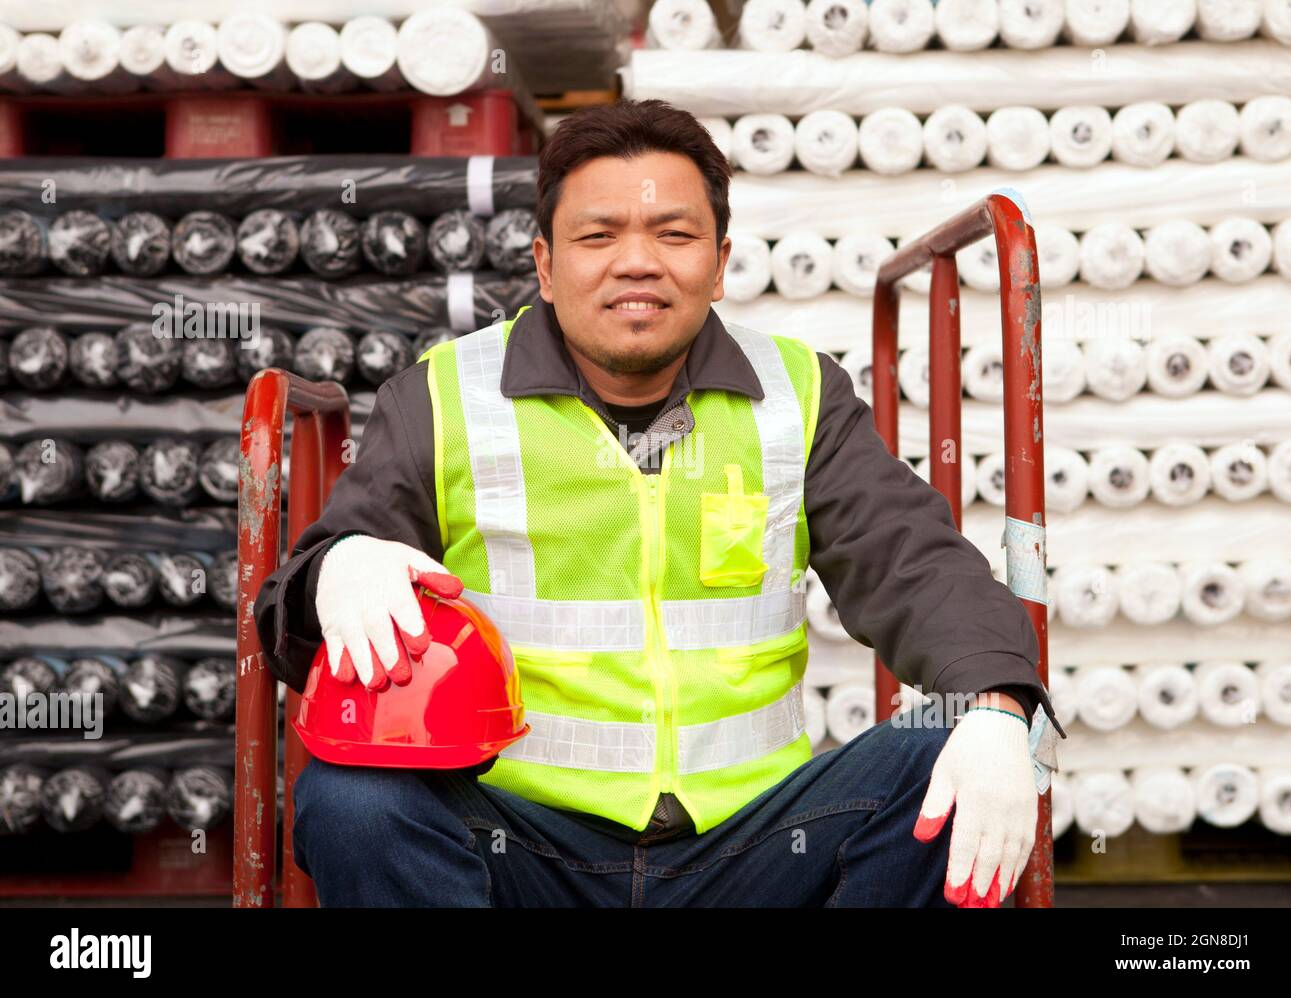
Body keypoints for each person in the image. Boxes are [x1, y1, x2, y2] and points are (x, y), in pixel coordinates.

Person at [255, 98, 1066, 908]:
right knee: (352, 801)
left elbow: (911, 560)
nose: (637, 262)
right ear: (543, 264)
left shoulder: (799, 393)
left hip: (754, 845)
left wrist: (997, 703)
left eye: (674, 236)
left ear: (719, 264)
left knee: (944, 754)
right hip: (520, 838)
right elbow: (306, 599)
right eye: (598, 236)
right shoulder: (443, 396)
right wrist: (335, 571)